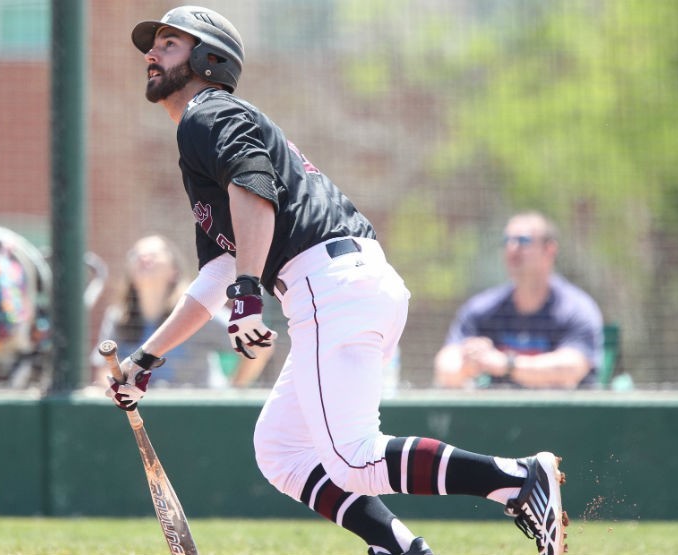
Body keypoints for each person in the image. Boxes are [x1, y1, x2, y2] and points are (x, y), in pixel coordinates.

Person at [105, 7, 566, 554]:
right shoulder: (202, 132)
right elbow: (218, 270)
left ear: (209, 60)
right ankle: (402, 549)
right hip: (342, 283)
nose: (151, 54)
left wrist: (248, 297)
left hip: (329, 283)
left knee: (355, 458)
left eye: (169, 43)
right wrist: (146, 358)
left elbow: (254, 189)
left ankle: (516, 481)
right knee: (283, 451)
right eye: (153, 45)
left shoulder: (210, 112)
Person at [434, 211, 604, 390]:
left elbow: (571, 369)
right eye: (507, 241)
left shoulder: (575, 309)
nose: (512, 248)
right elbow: (445, 368)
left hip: (560, 416)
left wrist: (506, 364)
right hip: (498, 417)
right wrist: (470, 361)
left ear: (549, 250)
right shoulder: (482, 309)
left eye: (523, 241)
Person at [91, 234, 268, 388]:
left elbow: (260, 346)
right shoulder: (117, 318)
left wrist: (234, 390)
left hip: (198, 416)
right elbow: (105, 370)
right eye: (136, 254)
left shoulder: (193, 313)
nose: (143, 258)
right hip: (146, 413)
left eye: (153, 254)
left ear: (174, 270)